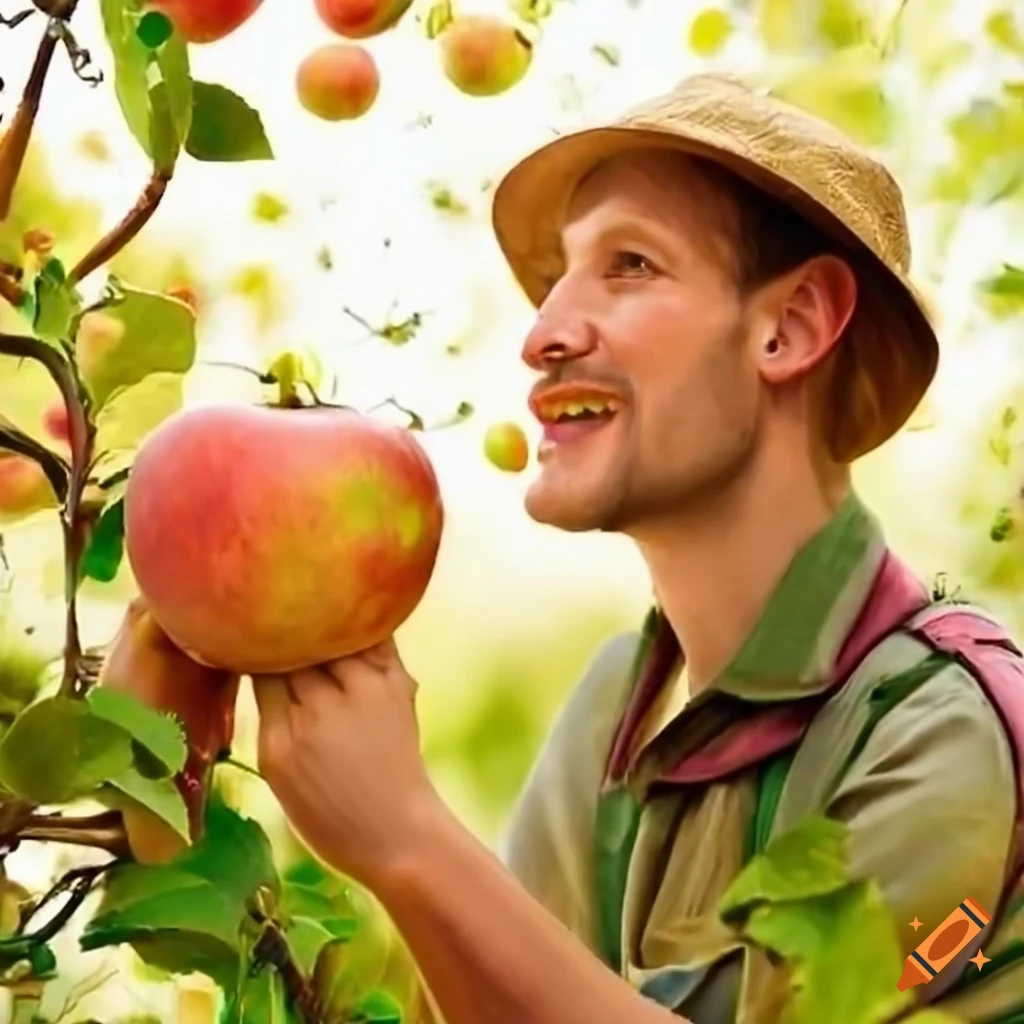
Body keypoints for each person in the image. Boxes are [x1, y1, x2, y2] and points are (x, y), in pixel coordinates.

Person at [106, 74, 1024, 1023]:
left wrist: (412, 838)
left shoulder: (942, 735)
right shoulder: (621, 701)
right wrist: (178, 803)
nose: (542, 334)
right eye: (556, 283)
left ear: (788, 328)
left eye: (629, 265)